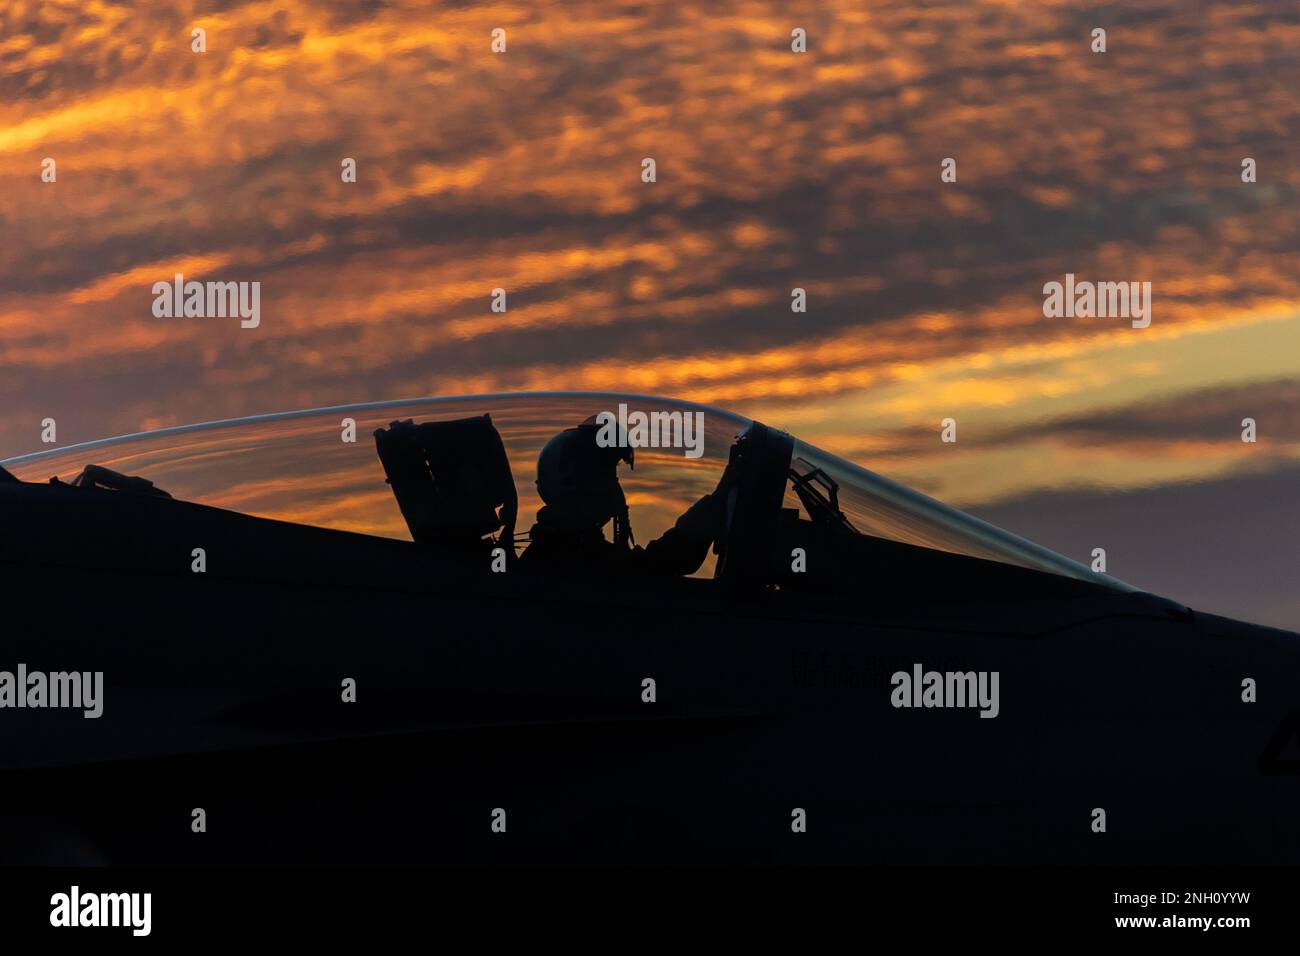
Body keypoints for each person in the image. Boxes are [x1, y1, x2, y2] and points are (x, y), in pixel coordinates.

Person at [519, 417, 726, 576]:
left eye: (612, 473)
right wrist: (713, 508)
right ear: (576, 481)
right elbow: (653, 567)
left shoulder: (565, 547)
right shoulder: (565, 557)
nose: (613, 486)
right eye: (604, 474)